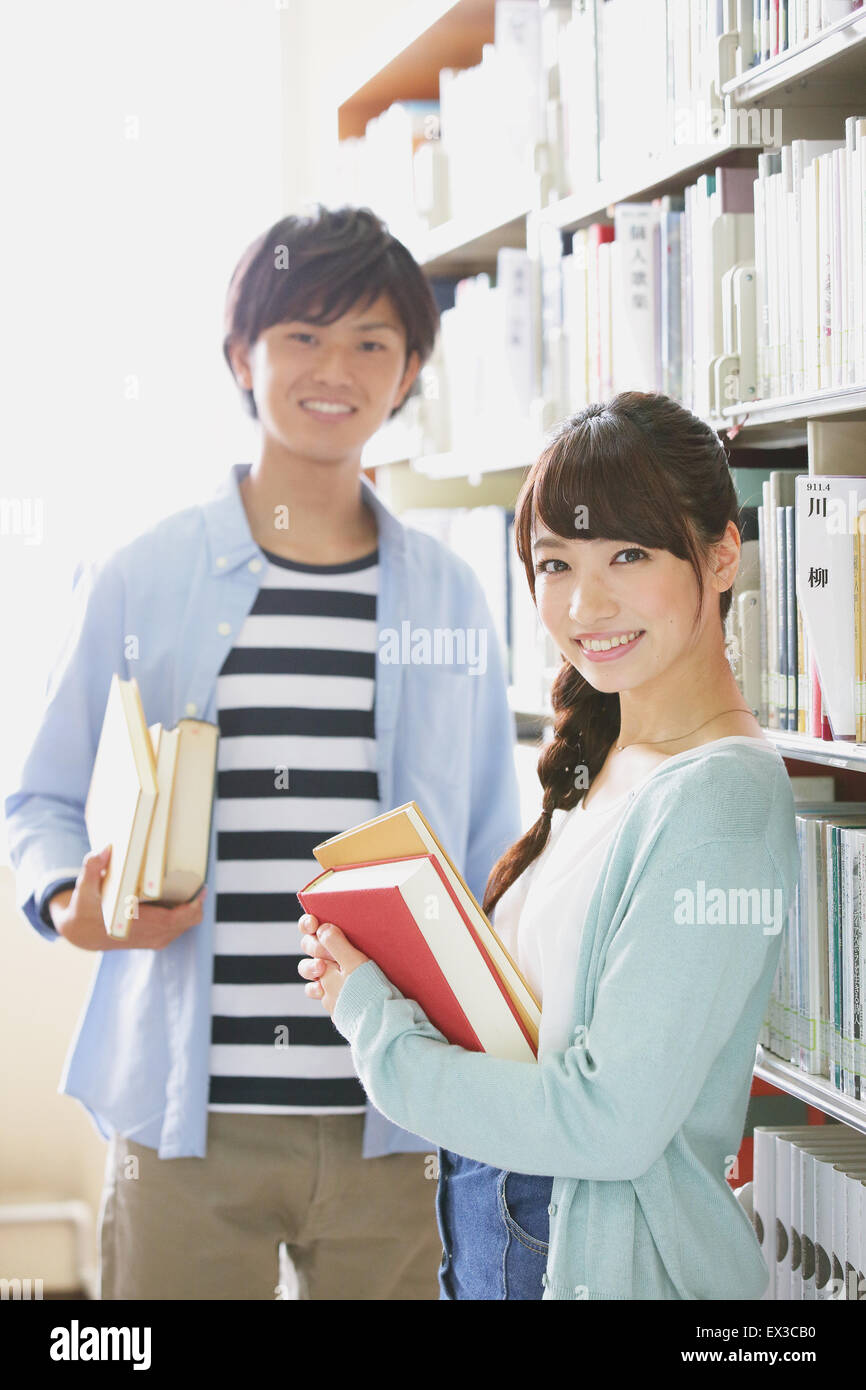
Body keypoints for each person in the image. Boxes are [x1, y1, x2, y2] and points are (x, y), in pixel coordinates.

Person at [4, 205, 522, 1300]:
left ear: (410, 371)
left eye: (371, 342)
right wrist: (68, 901)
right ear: (242, 356)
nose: (335, 369)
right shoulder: (142, 570)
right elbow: (36, 798)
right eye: (302, 334)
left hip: (395, 1114)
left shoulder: (448, 593)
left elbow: (483, 843)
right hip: (187, 1123)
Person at [297, 390, 801, 1301]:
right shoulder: (612, 756)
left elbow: (610, 1122)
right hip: (499, 1235)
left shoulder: (720, 795)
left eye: (629, 554)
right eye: (555, 563)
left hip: (588, 1258)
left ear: (724, 552)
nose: (584, 603)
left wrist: (381, 1032)